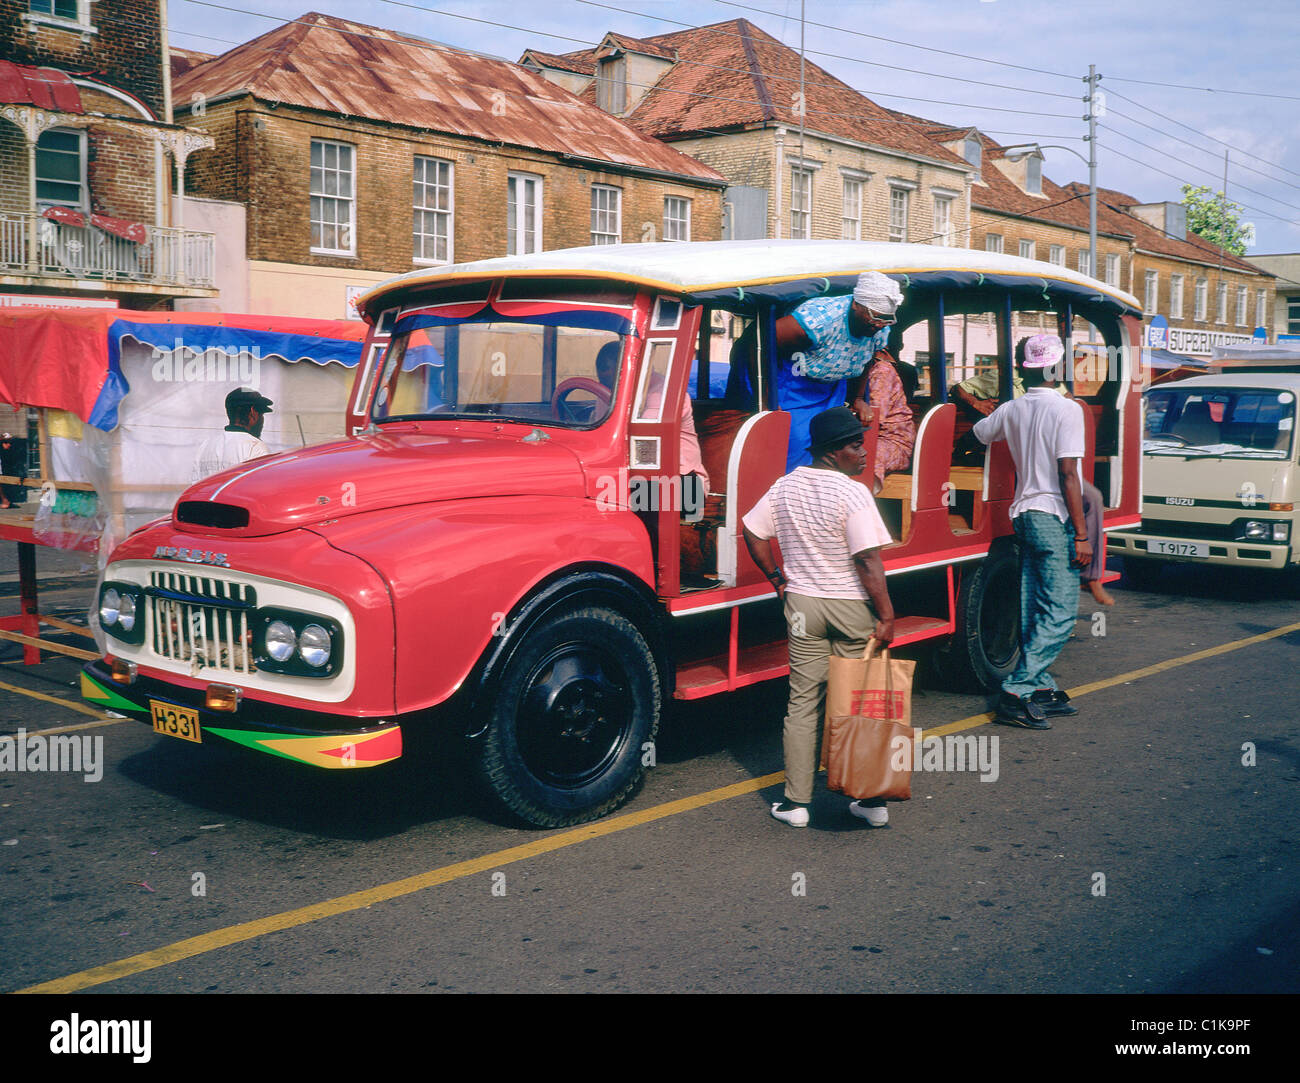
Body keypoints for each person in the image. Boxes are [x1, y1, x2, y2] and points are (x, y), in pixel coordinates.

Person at [742, 406, 898, 828]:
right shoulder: (852, 493)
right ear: (831, 452)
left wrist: (777, 578)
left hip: (802, 607)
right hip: (849, 607)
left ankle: (795, 804)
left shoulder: (784, 487)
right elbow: (867, 559)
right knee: (860, 704)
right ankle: (869, 802)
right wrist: (886, 614)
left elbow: (753, 531)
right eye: (854, 446)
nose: (863, 453)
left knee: (802, 703)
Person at [972, 334, 1090, 729]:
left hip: (1021, 515)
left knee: (1032, 603)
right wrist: (1083, 533)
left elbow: (980, 433)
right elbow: (1069, 474)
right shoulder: (1068, 410)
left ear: (1026, 368)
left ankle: (1040, 687)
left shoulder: (1013, 408)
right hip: (1051, 515)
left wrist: (972, 401)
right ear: (1057, 369)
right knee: (1059, 611)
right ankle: (1017, 689)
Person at [956, 345, 1114, 606]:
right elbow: (964, 398)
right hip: (1037, 479)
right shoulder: (1007, 390)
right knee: (1052, 598)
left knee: (1092, 498)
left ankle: (1089, 576)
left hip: (1043, 476)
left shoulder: (1051, 397)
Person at [726, 271, 915, 485]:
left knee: (832, 442)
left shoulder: (879, 328)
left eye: (886, 319)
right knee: (795, 441)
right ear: (856, 305)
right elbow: (759, 342)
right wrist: (767, 400)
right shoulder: (819, 320)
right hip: (792, 381)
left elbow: (865, 357)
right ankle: (788, 497)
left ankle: (822, 499)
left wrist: (859, 398)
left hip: (832, 386)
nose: (880, 324)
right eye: (875, 317)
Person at [192, 387, 274, 481]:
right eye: (261, 414)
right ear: (253, 413)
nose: (262, 419)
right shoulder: (255, 447)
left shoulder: (206, 446)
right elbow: (261, 488)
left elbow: (195, 486)